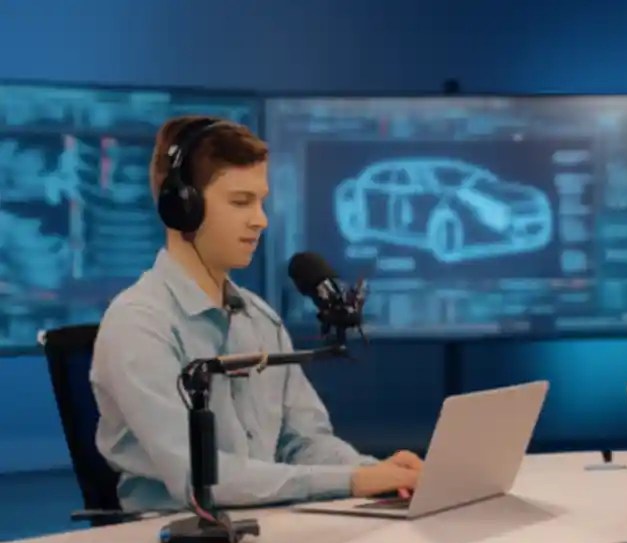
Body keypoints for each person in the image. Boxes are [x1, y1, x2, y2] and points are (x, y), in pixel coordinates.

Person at [91, 115, 421, 511]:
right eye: (240, 202)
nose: (260, 220)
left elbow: (303, 443)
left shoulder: (260, 319)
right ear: (182, 207)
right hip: (173, 536)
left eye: (260, 201)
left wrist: (378, 473)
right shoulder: (138, 324)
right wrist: (354, 481)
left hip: (270, 526)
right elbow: (201, 478)